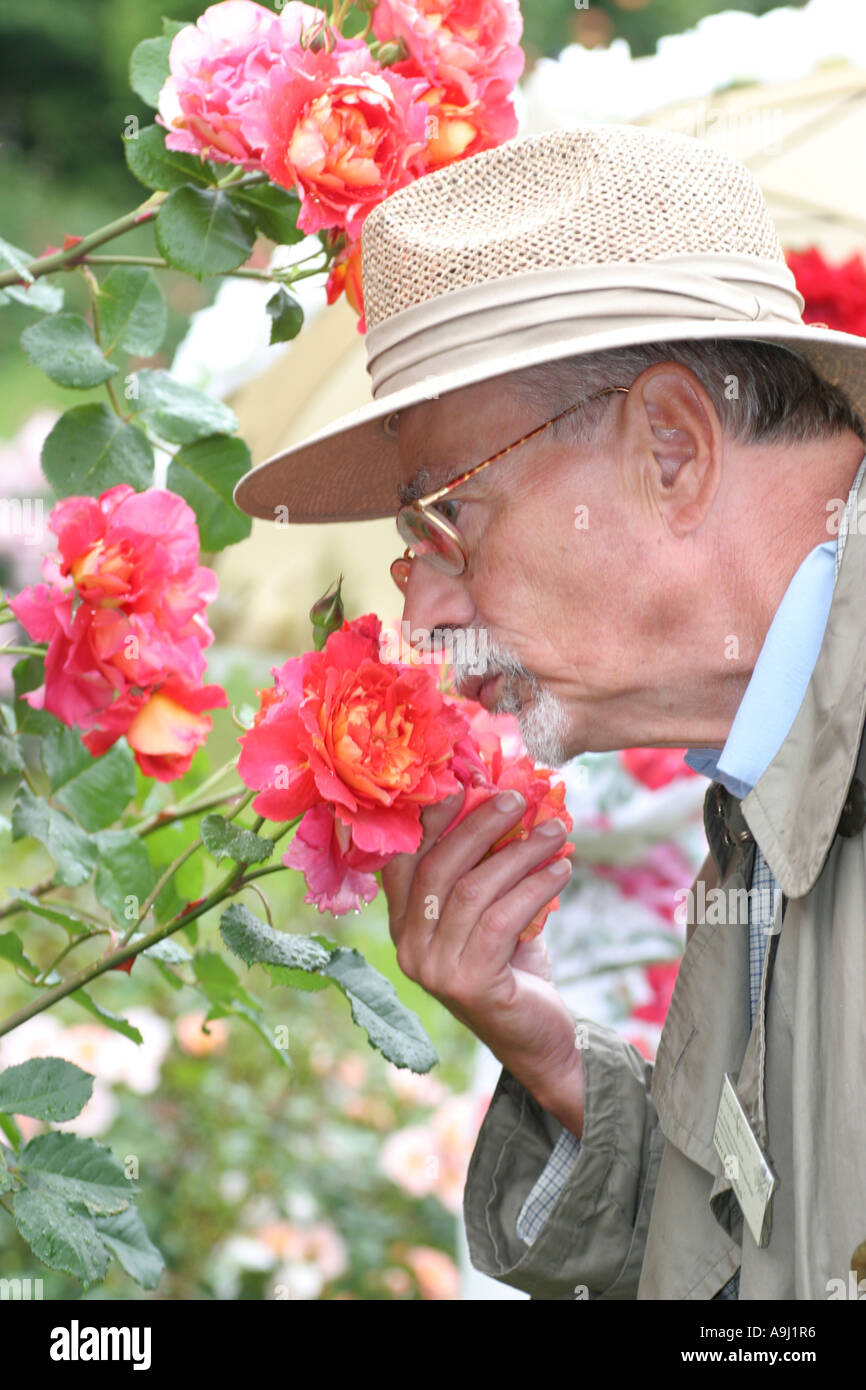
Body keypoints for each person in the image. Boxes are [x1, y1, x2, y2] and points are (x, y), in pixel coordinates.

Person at [234, 123, 866, 1299]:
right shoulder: (767, 772)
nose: (416, 611)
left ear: (669, 449)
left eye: (442, 516)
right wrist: (552, 1053)